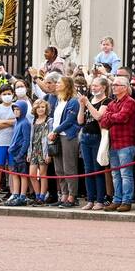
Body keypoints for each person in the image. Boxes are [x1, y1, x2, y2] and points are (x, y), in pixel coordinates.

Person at [98, 74, 135, 212]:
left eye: (116, 85)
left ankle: (126, 201)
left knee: (125, 173)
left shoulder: (130, 102)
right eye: (113, 85)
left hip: (126, 143)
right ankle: (117, 199)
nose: (113, 87)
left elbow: (122, 117)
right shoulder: (111, 103)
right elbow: (103, 121)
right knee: (115, 174)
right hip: (113, 143)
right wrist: (110, 116)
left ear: (125, 87)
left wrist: (109, 116)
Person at [77, 77, 111, 210]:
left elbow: (98, 116)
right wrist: (82, 105)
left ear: (103, 87)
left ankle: (100, 200)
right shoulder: (89, 100)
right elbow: (80, 121)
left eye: (96, 86)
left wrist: (87, 104)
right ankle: (90, 199)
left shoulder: (106, 101)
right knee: (88, 169)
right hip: (85, 137)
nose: (93, 88)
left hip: (97, 137)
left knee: (98, 169)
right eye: (92, 85)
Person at [50, 75, 81, 208]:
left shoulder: (73, 101)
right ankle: (63, 194)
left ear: (66, 85)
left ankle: (72, 196)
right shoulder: (59, 100)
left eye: (59, 82)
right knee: (59, 168)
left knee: (69, 167)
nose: (56, 84)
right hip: (56, 136)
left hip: (67, 136)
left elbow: (69, 121)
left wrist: (55, 131)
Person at [0, 83, 17, 204]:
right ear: (0, 96)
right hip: (0, 142)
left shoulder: (15, 107)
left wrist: (3, 122)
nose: (7, 96)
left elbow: (17, 122)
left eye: (9, 94)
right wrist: (10, 122)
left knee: (12, 168)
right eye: (4, 94)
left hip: (13, 142)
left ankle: (13, 192)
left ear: (13, 94)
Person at [4, 97, 32, 207]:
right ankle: (15, 193)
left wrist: (21, 153)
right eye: (14, 109)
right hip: (13, 152)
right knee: (14, 174)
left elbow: (26, 140)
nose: (16, 111)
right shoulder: (16, 122)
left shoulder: (25, 123)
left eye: (18, 109)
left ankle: (23, 195)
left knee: (23, 175)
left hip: (20, 152)